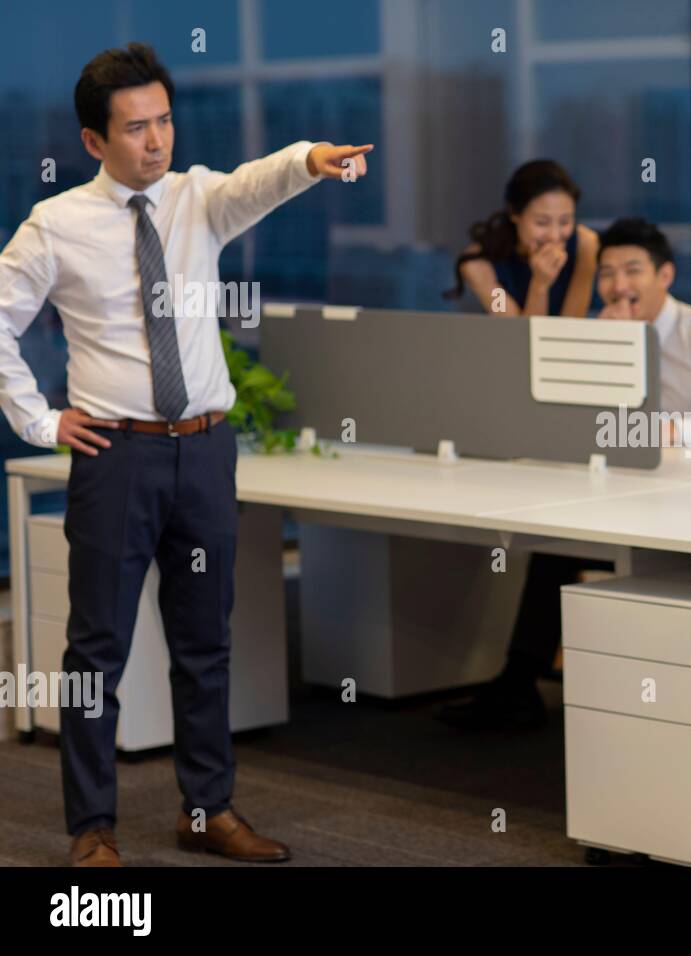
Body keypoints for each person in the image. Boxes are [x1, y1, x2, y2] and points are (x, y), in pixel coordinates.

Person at [0, 42, 372, 866]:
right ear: (95, 141)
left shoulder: (197, 201)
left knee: (206, 642)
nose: (157, 141)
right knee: (97, 649)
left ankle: (208, 811)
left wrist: (311, 158)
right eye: (136, 128)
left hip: (204, 454)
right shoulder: (56, 226)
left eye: (164, 121)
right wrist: (40, 419)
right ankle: (90, 828)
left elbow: (258, 179)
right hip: (117, 457)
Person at [439, 218, 691, 730]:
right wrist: (612, 353)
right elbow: (571, 417)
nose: (618, 285)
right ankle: (520, 685)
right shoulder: (602, 329)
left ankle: (638, 701)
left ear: (666, 275)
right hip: (620, 490)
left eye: (633, 270)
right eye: (607, 273)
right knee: (554, 543)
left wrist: (670, 431)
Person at [445, 159, 598, 317]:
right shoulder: (477, 264)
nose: (554, 236)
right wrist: (540, 284)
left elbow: (570, 328)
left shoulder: (585, 245)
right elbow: (515, 332)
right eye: (542, 222)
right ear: (514, 213)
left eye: (565, 221)